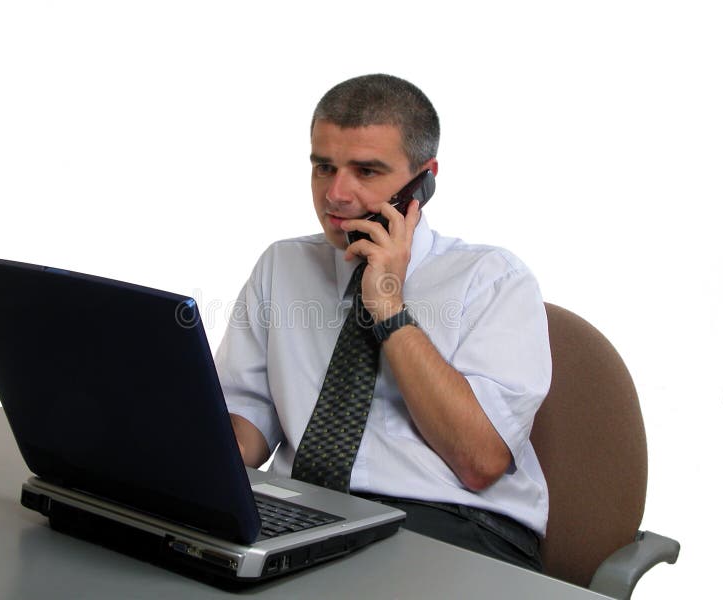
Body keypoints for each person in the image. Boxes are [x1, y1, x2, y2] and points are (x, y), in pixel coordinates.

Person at [214, 74, 551, 572]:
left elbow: (480, 461)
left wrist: (389, 306)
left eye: (366, 171)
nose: (336, 194)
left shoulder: (493, 279)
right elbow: (245, 428)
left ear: (424, 179)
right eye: (323, 167)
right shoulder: (282, 266)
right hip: (306, 512)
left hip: (454, 526)